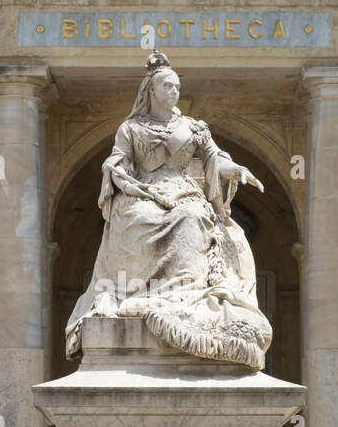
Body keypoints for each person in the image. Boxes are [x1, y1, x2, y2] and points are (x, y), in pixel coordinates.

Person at [65, 50, 273, 368]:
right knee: (135, 216)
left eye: (176, 86)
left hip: (183, 191)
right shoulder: (131, 128)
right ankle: (141, 295)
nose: (174, 91)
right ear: (152, 91)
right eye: (167, 86)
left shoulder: (193, 127)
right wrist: (116, 171)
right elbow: (119, 160)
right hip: (143, 192)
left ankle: (183, 297)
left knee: (191, 218)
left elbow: (214, 157)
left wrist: (236, 170)